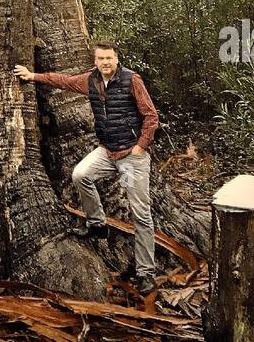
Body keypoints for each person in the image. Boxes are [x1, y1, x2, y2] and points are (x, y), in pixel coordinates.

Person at [15, 41, 158, 293]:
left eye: (109, 58)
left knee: (141, 215)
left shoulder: (131, 80)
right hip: (106, 151)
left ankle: (146, 273)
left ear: (116, 59)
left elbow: (151, 116)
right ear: (95, 61)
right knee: (80, 174)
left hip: (131, 156)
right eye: (101, 58)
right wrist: (32, 76)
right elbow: (63, 81)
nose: (105, 63)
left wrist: (140, 147)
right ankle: (97, 224)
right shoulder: (91, 81)